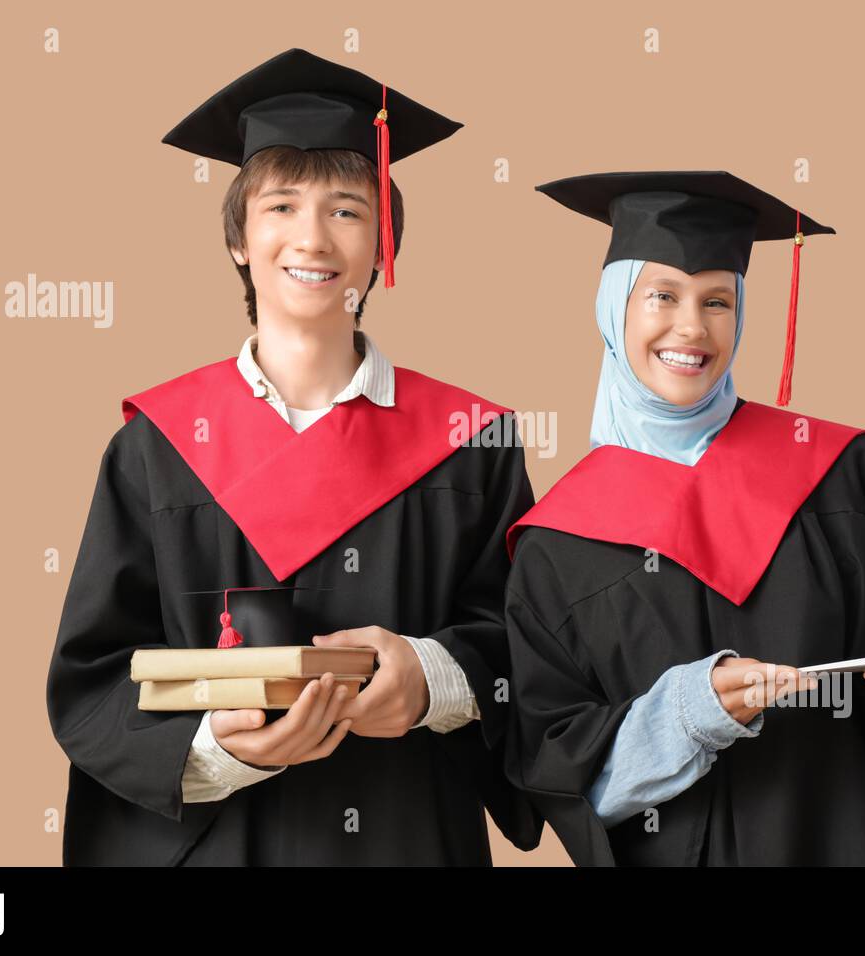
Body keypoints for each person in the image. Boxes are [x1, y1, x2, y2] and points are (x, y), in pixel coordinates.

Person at [46, 48, 541, 865]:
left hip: (408, 838)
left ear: (385, 244)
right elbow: (94, 677)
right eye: (280, 206)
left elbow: (532, 645)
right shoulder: (155, 447)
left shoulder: (472, 441)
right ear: (240, 239)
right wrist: (222, 746)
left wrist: (431, 677)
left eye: (348, 209)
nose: (313, 237)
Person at [502, 170, 865, 866]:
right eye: (661, 295)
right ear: (612, 309)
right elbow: (558, 776)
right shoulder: (557, 542)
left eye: (718, 300)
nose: (692, 326)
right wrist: (685, 715)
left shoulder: (839, 470)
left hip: (860, 838)